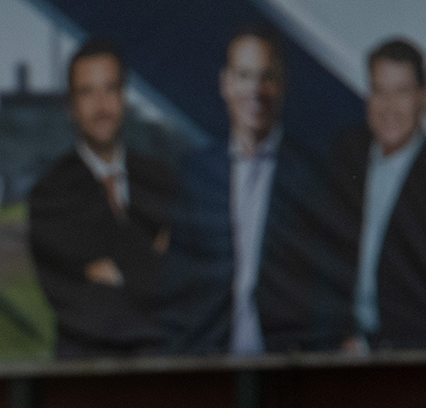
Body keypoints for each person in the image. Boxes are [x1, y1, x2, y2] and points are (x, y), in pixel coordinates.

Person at [162, 24, 350, 355]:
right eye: (244, 75)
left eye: (267, 77)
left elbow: (327, 287)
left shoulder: (314, 175)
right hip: (210, 365)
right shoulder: (195, 173)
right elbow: (179, 282)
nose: (256, 90)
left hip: (290, 367)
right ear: (225, 83)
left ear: (282, 85)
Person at [29, 38, 173, 357]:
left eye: (109, 89)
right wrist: (150, 257)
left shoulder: (163, 181)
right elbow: (74, 303)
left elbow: (179, 280)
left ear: (124, 98)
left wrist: (114, 271)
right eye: (87, 92)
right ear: (70, 106)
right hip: (83, 371)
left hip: (162, 365)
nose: (101, 105)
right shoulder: (49, 193)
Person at [331, 37, 426, 351]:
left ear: (423, 97)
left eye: (402, 92)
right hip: (340, 351)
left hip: (413, 356)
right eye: (379, 91)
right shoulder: (343, 158)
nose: (389, 107)